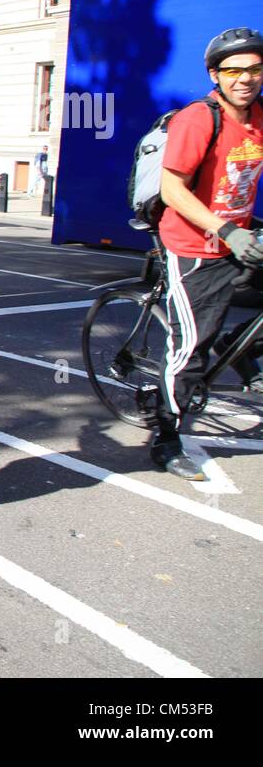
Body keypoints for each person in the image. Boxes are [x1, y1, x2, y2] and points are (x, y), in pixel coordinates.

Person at [153, 26, 263, 480]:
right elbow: (171, 189)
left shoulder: (259, 117)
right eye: (233, 70)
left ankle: (237, 349)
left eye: (254, 69)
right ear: (215, 75)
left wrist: (241, 231)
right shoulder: (198, 119)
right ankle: (166, 435)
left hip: (238, 234)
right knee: (189, 347)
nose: (245, 78)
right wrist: (224, 230)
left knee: (228, 329)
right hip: (195, 244)